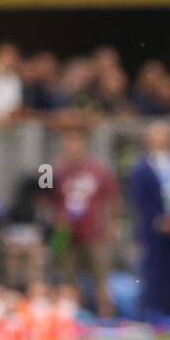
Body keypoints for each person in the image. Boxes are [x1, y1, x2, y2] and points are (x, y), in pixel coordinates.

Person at [51, 129, 120, 319]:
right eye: (69, 143)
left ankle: (107, 317)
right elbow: (49, 200)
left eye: (76, 142)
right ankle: (76, 318)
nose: (72, 147)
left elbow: (112, 199)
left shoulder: (98, 169)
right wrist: (57, 229)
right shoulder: (57, 171)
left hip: (94, 231)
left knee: (102, 277)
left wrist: (113, 224)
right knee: (69, 278)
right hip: (66, 233)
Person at [129, 121, 170, 319]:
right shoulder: (142, 168)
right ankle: (151, 313)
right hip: (154, 228)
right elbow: (140, 200)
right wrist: (158, 221)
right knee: (153, 270)